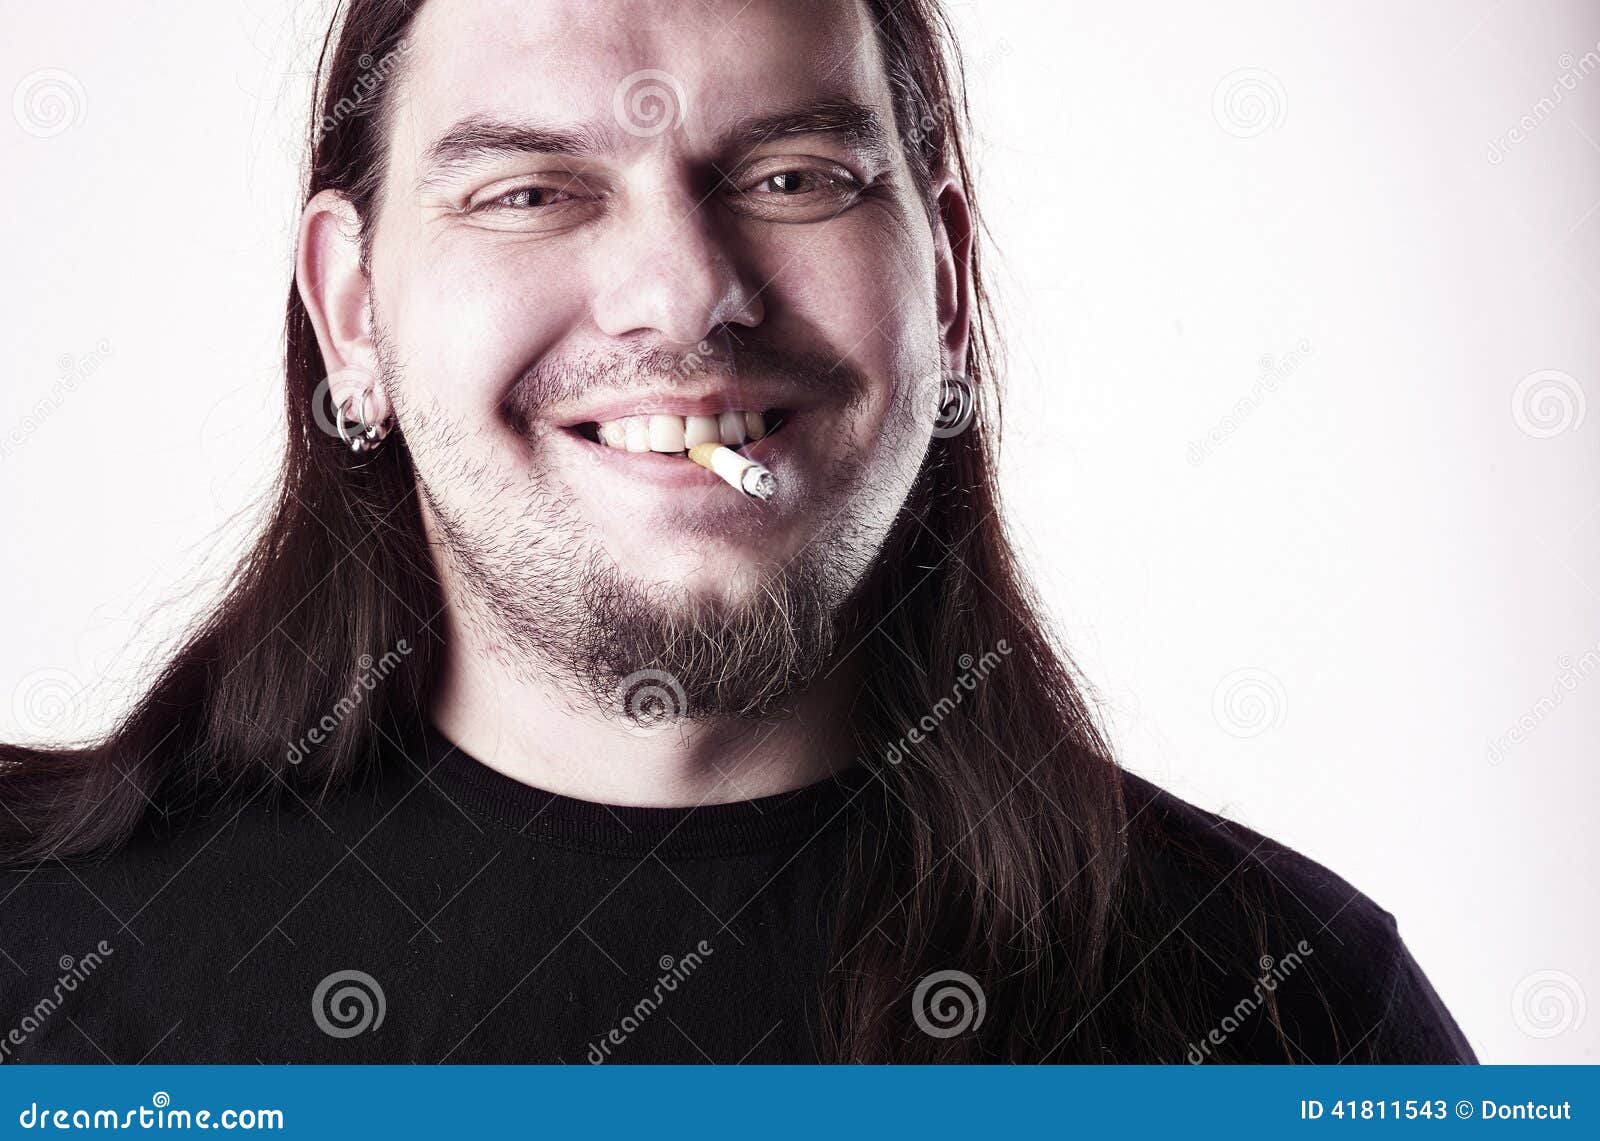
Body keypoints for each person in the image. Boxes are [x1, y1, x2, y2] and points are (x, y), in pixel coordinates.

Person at [0, 0, 1473, 1064]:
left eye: (793, 179)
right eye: (530, 192)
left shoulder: (1295, 1013)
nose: (681, 292)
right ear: (350, 313)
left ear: (946, 281)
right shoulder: (38, 976)